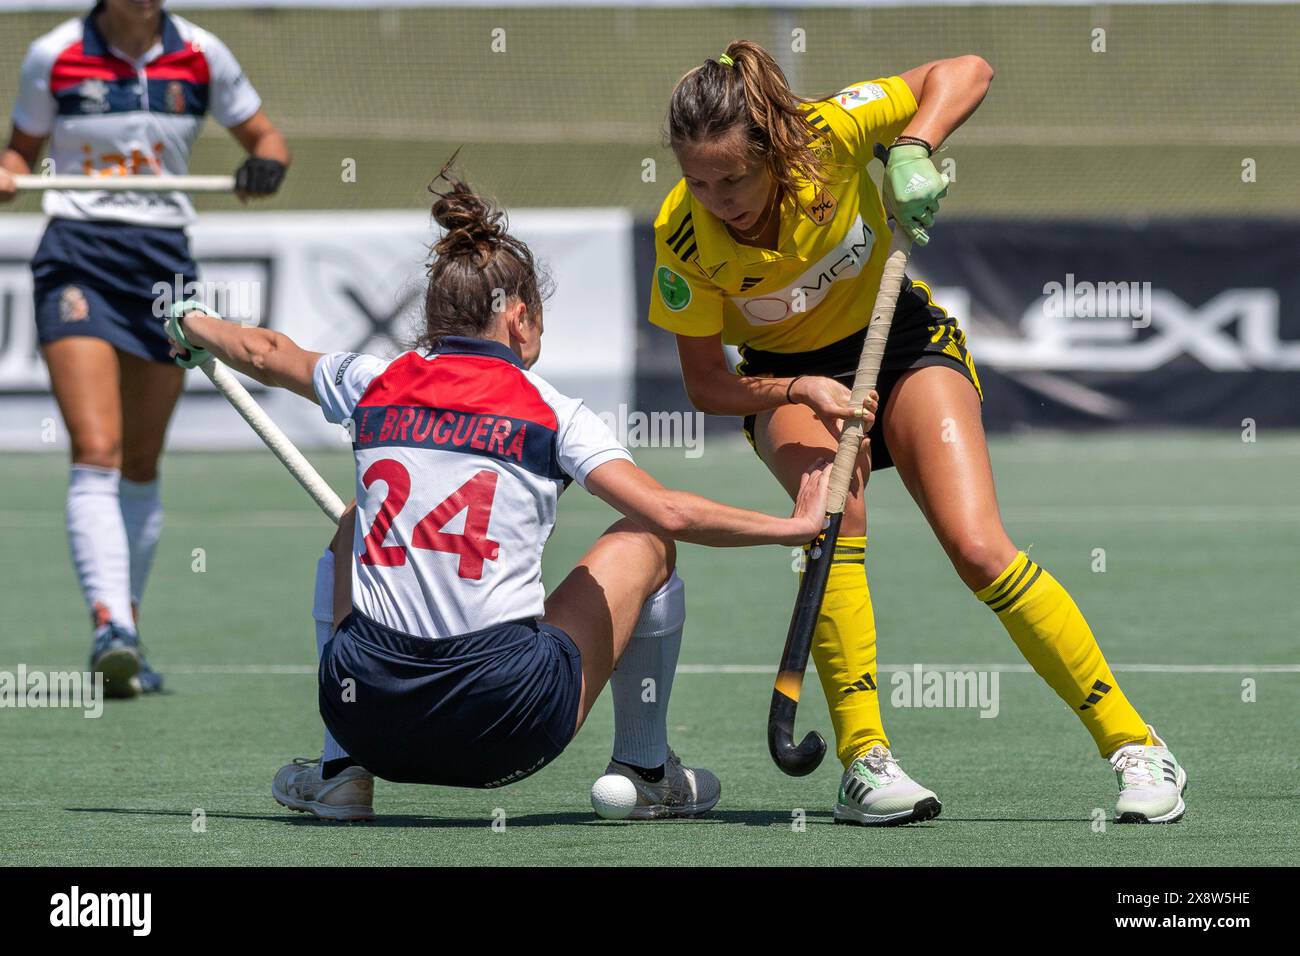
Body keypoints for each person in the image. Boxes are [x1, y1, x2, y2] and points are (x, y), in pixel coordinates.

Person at [164, 167, 842, 821]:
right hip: (508, 726)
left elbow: (260, 350)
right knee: (647, 539)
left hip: (367, 714)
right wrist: (792, 526)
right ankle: (645, 771)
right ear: (519, 318)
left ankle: (342, 773)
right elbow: (667, 510)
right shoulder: (552, 410)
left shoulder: (373, 379)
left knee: (353, 527)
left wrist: (192, 324)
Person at [648, 41, 1186, 825]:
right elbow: (707, 387)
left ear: (775, 149)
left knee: (977, 547)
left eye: (734, 177)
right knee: (833, 520)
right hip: (784, 376)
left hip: (901, 342)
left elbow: (967, 69)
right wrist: (805, 389)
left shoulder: (828, 136)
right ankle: (864, 763)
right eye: (697, 179)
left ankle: (1137, 747)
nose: (717, 196)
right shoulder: (684, 237)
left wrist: (911, 150)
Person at [0, 0, 290, 697]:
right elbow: (20, 153)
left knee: (139, 461)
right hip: (77, 258)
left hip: (163, 265)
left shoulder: (202, 54)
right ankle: (110, 626)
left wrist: (264, 168)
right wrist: (8, 174)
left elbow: (268, 142)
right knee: (97, 448)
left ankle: (126, 625)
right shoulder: (54, 54)